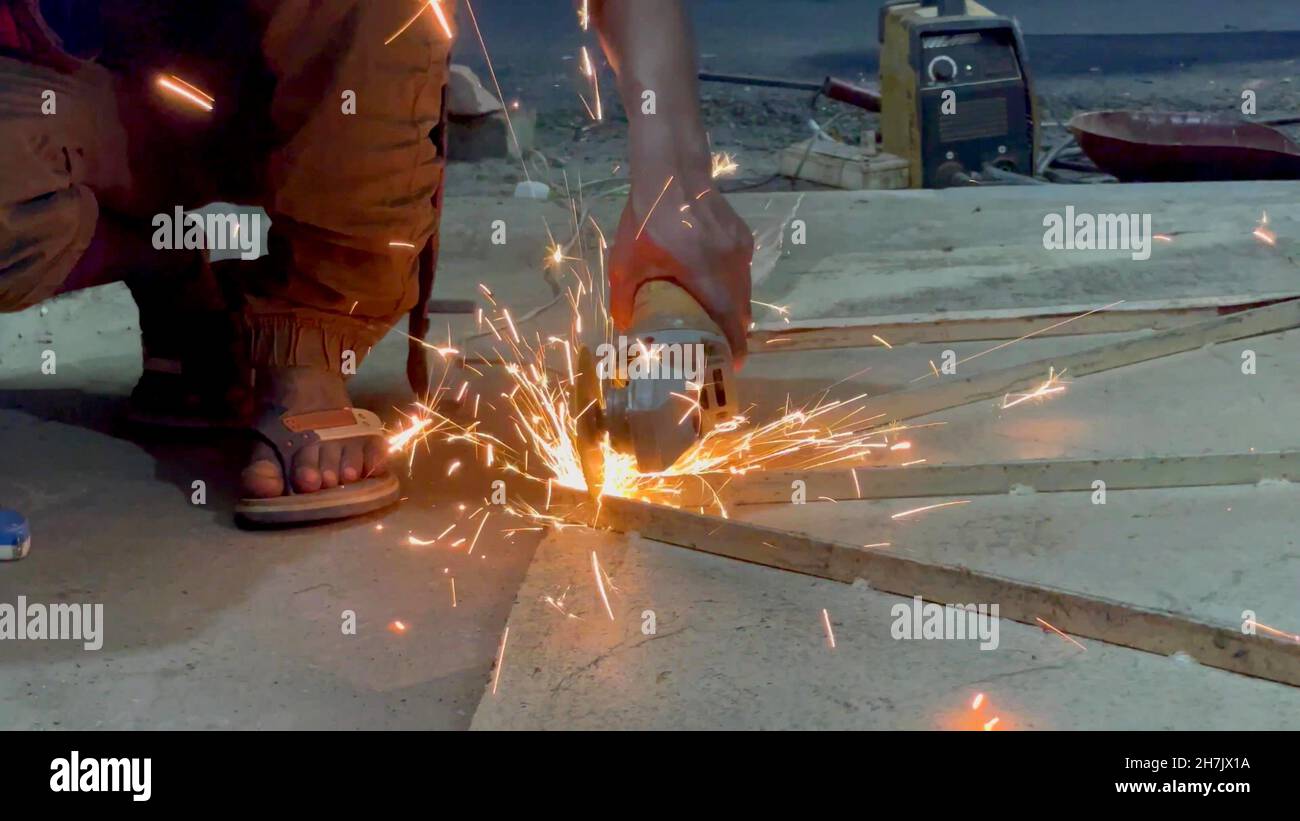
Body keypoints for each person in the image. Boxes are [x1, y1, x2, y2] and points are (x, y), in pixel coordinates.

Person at [0, 0, 752, 523]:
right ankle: (183, 276)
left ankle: (308, 334)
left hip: (309, 95)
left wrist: (675, 181)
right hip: (85, 92)